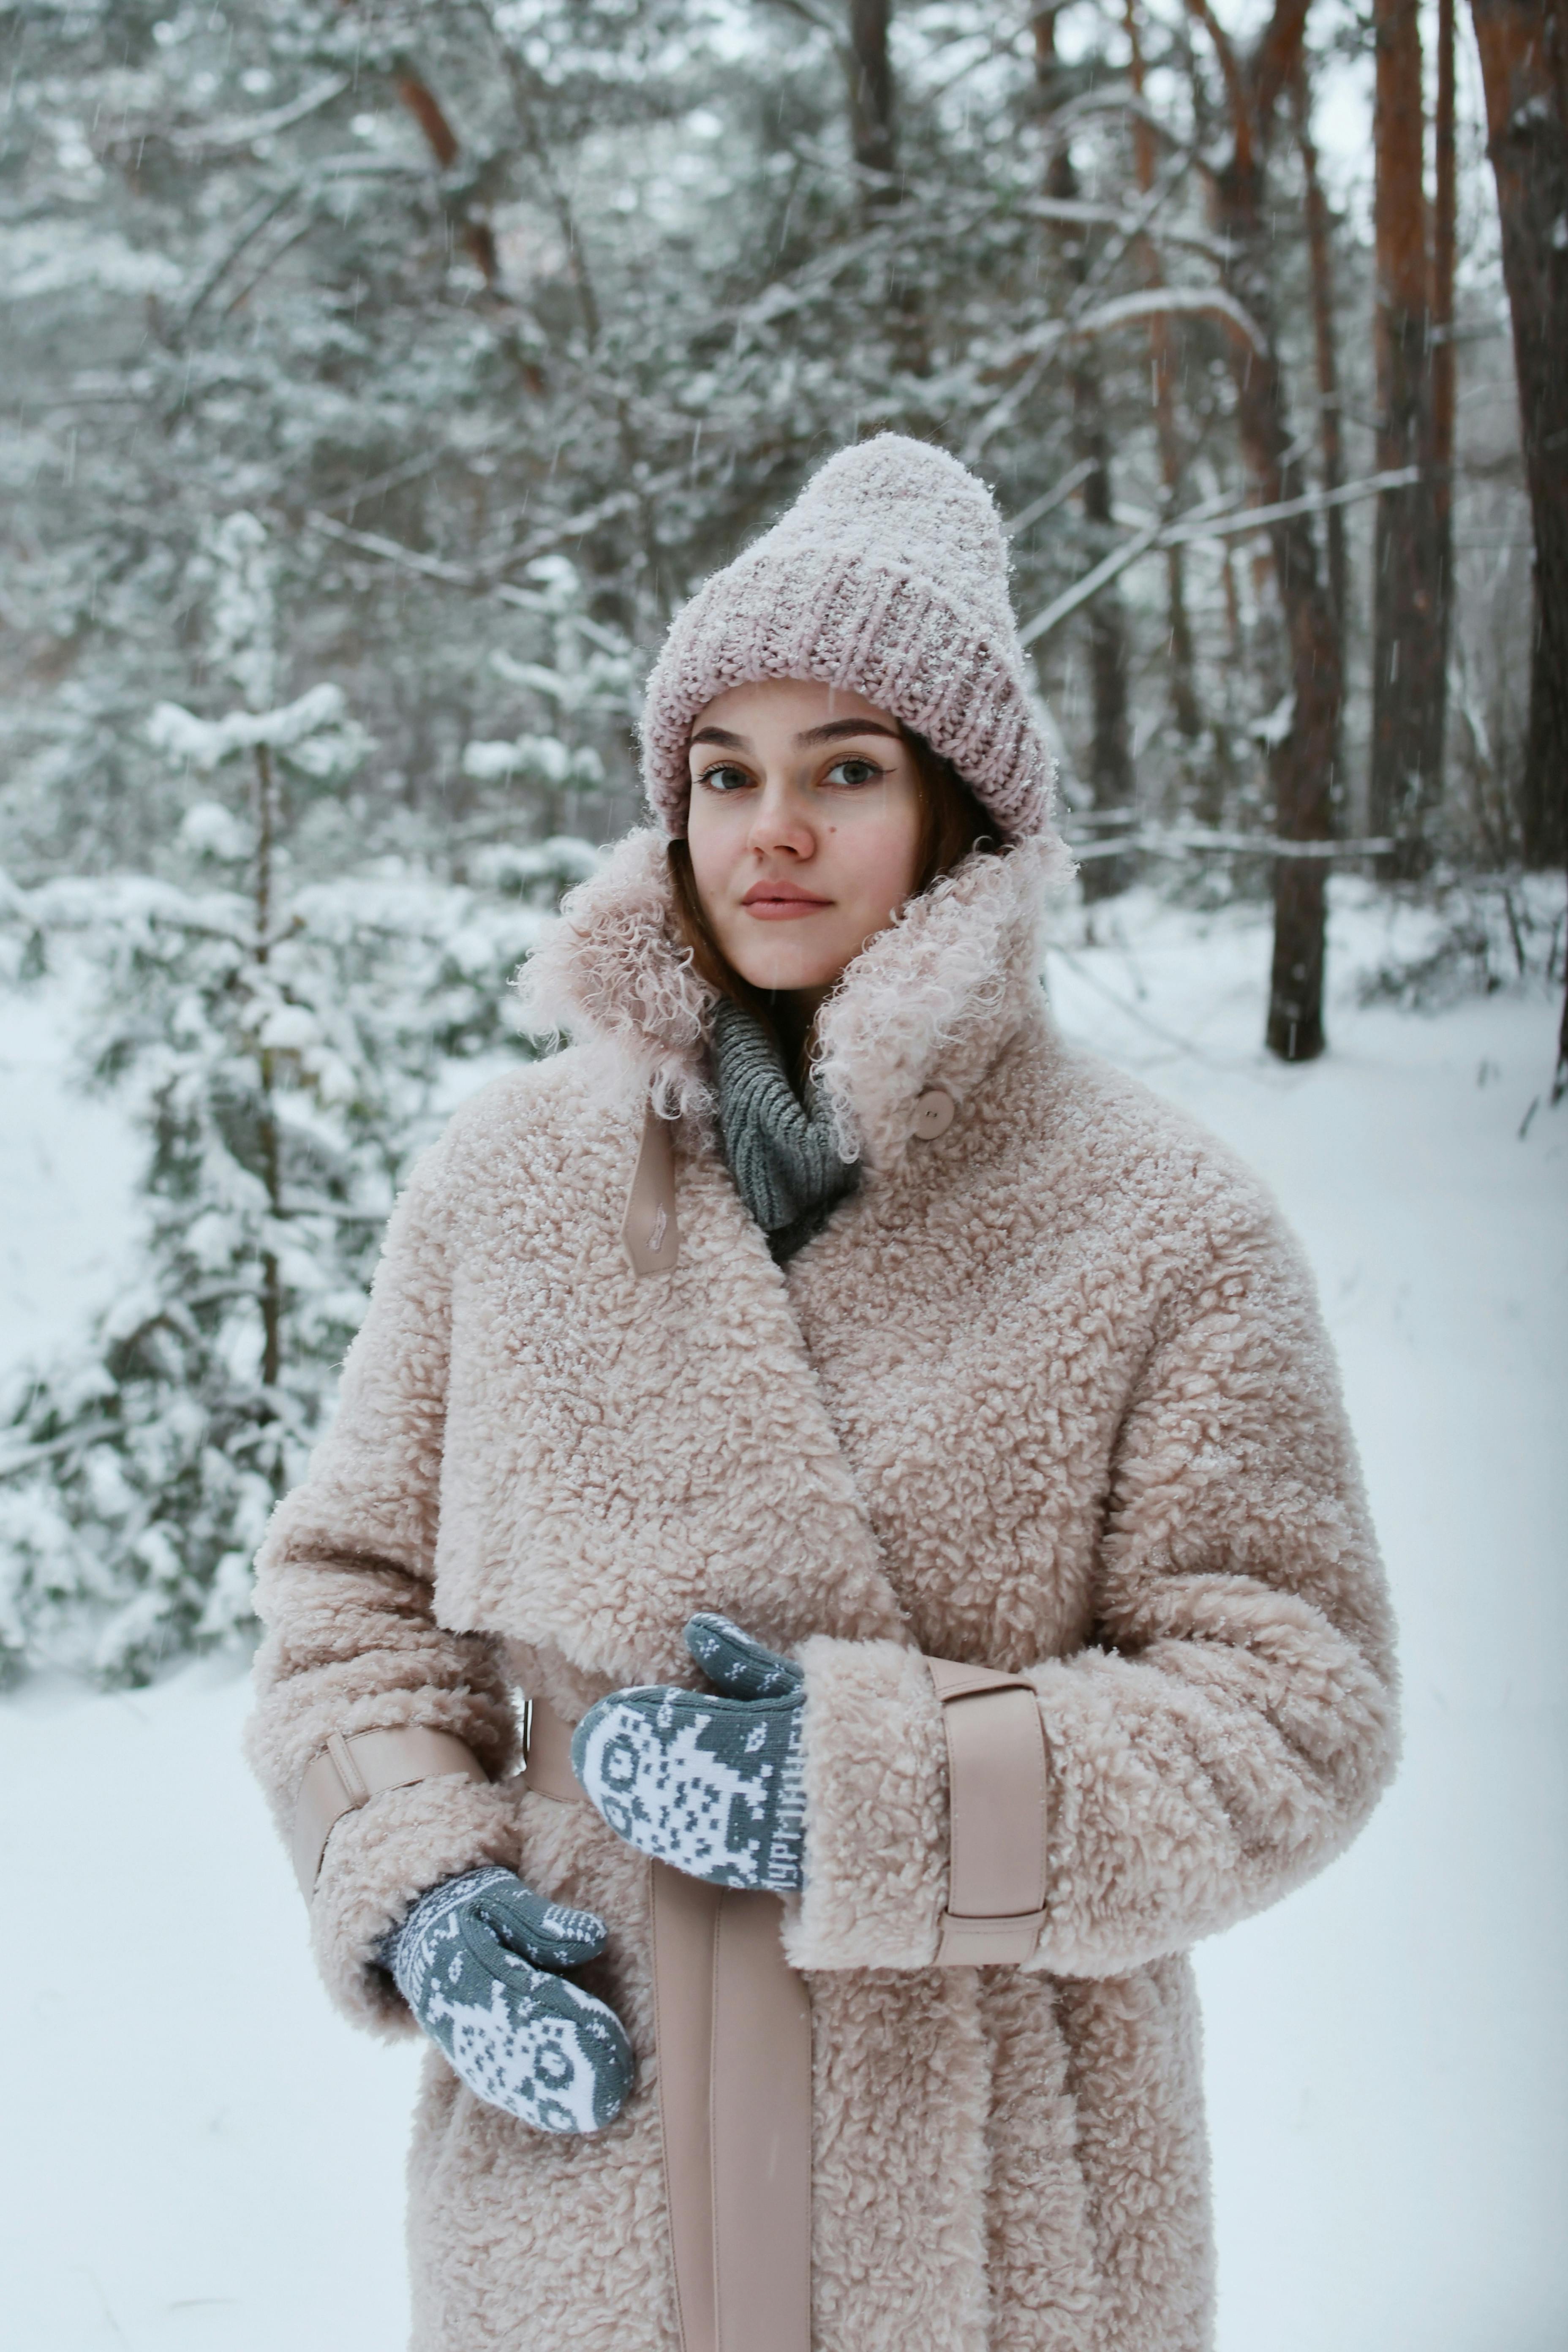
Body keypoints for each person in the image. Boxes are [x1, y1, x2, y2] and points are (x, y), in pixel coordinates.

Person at [246, 436, 1398, 2352]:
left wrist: (887, 1795)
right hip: (579, 2200)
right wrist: (425, 1889)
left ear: (960, 816)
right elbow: (349, 1599)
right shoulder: (512, 1181)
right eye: (726, 774)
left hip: (995, 2215)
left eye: (844, 771)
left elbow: (1295, 1706)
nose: (768, 831)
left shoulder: (1158, 1220)